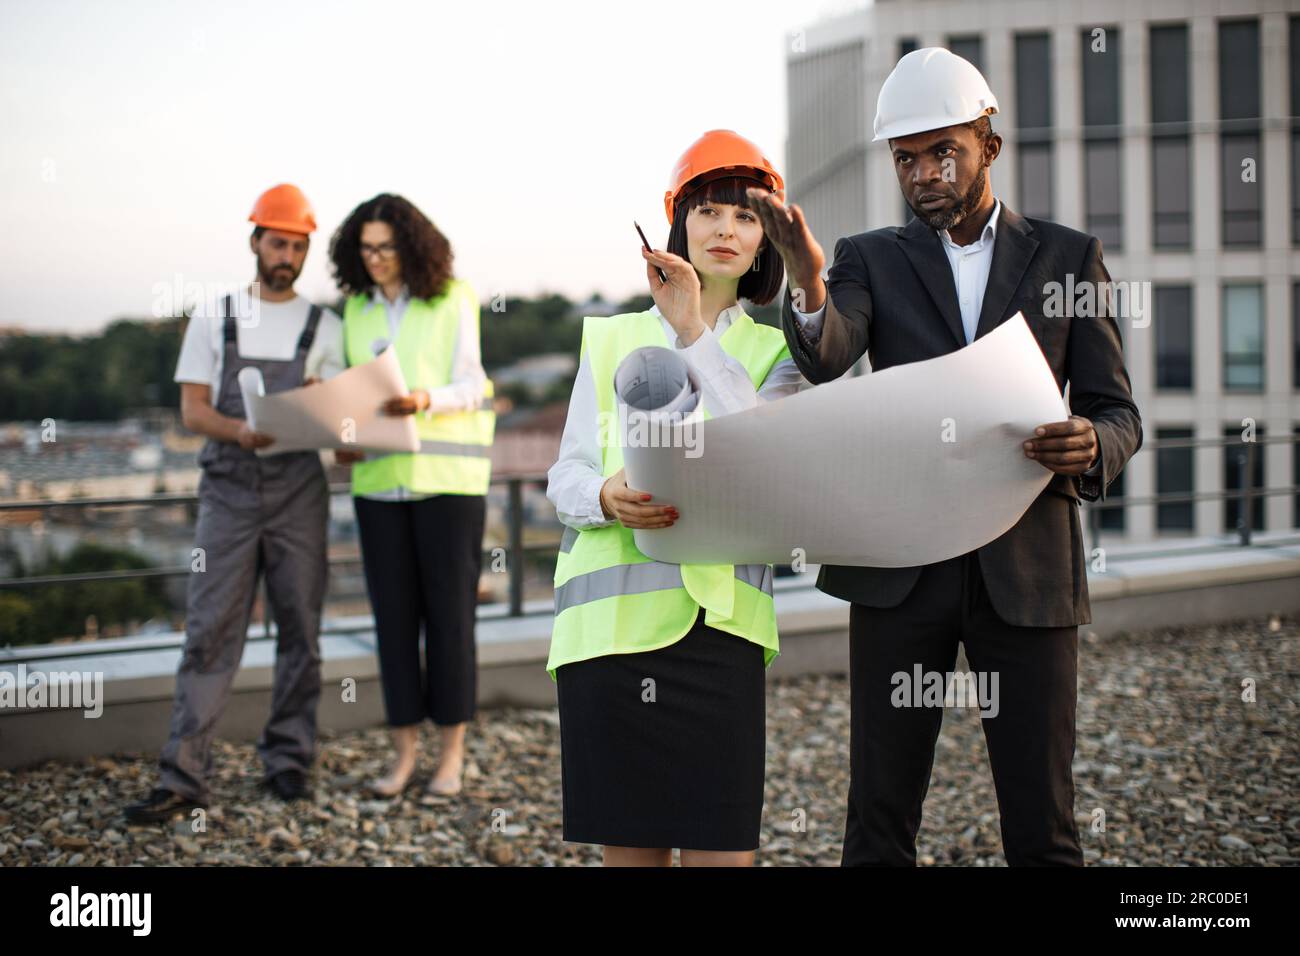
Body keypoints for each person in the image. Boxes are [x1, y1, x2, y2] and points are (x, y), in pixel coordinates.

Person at [746, 47, 1143, 866]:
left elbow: (1118, 413)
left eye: (943, 151)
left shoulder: (1069, 259)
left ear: (988, 146)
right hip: (902, 574)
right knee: (880, 816)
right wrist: (809, 281)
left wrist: (1089, 443)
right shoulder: (866, 258)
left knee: (1043, 822)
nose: (924, 173)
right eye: (906, 159)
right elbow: (829, 352)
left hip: (1027, 574)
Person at [547, 130, 809, 866]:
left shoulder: (779, 354)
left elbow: (761, 456)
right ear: (678, 224)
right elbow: (562, 477)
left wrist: (694, 329)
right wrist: (604, 494)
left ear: (765, 243)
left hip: (720, 638)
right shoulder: (608, 338)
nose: (727, 229)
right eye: (709, 212)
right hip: (609, 642)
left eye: (748, 217)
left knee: (722, 854)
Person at [125, 184, 345, 823]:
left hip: (299, 489)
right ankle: (183, 778)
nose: (288, 255)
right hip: (227, 488)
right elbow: (193, 410)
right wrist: (240, 431)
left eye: (299, 246)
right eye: (278, 242)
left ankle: (288, 762)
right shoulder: (213, 316)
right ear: (255, 240)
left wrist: (319, 405)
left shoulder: (322, 325)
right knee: (209, 629)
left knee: (301, 627)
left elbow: (338, 417)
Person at [329, 194, 494, 798]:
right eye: (366, 248)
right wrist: (342, 433)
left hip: (448, 487)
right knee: (392, 624)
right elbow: (351, 393)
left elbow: (475, 384)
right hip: (377, 487)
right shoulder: (354, 310)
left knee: (449, 624)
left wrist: (425, 399)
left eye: (386, 248)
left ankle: (449, 757)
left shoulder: (453, 296)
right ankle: (403, 756)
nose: (375, 259)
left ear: (411, 246)